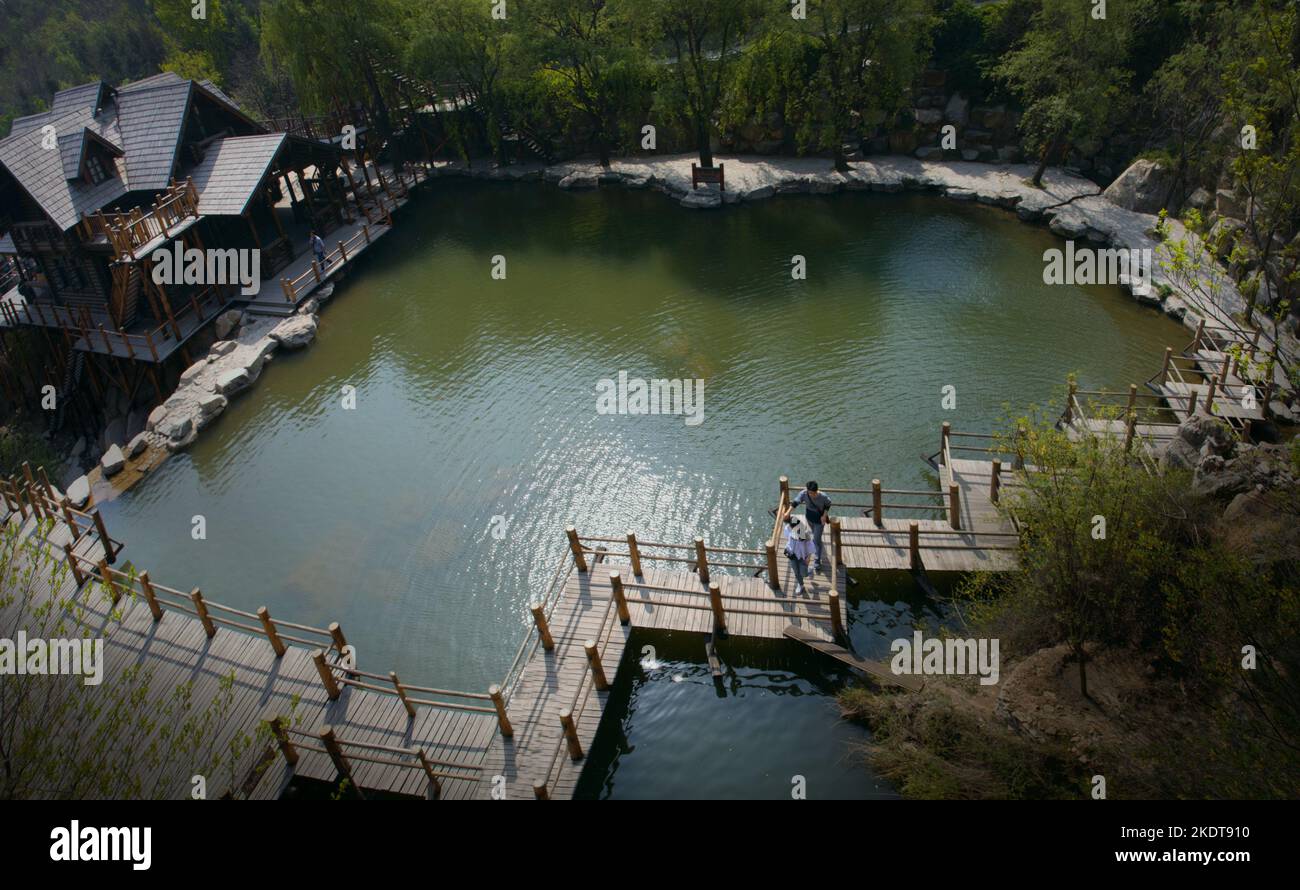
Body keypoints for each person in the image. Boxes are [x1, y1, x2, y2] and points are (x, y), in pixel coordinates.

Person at [790, 481, 832, 572]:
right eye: (809, 492)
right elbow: (795, 502)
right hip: (809, 518)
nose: (811, 495)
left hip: (819, 521)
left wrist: (824, 515)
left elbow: (828, 504)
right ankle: (818, 542)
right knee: (815, 535)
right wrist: (787, 512)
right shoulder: (804, 493)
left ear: (817, 491)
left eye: (813, 493)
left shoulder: (823, 496)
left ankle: (817, 561)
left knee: (816, 540)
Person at [783, 514, 816, 595]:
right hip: (792, 554)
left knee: (803, 574)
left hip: (802, 556)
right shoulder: (787, 528)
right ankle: (801, 585)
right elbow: (787, 538)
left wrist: (808, 557)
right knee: (796, 572)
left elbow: (810, 546)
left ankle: (808, 571)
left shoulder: (804, 533)